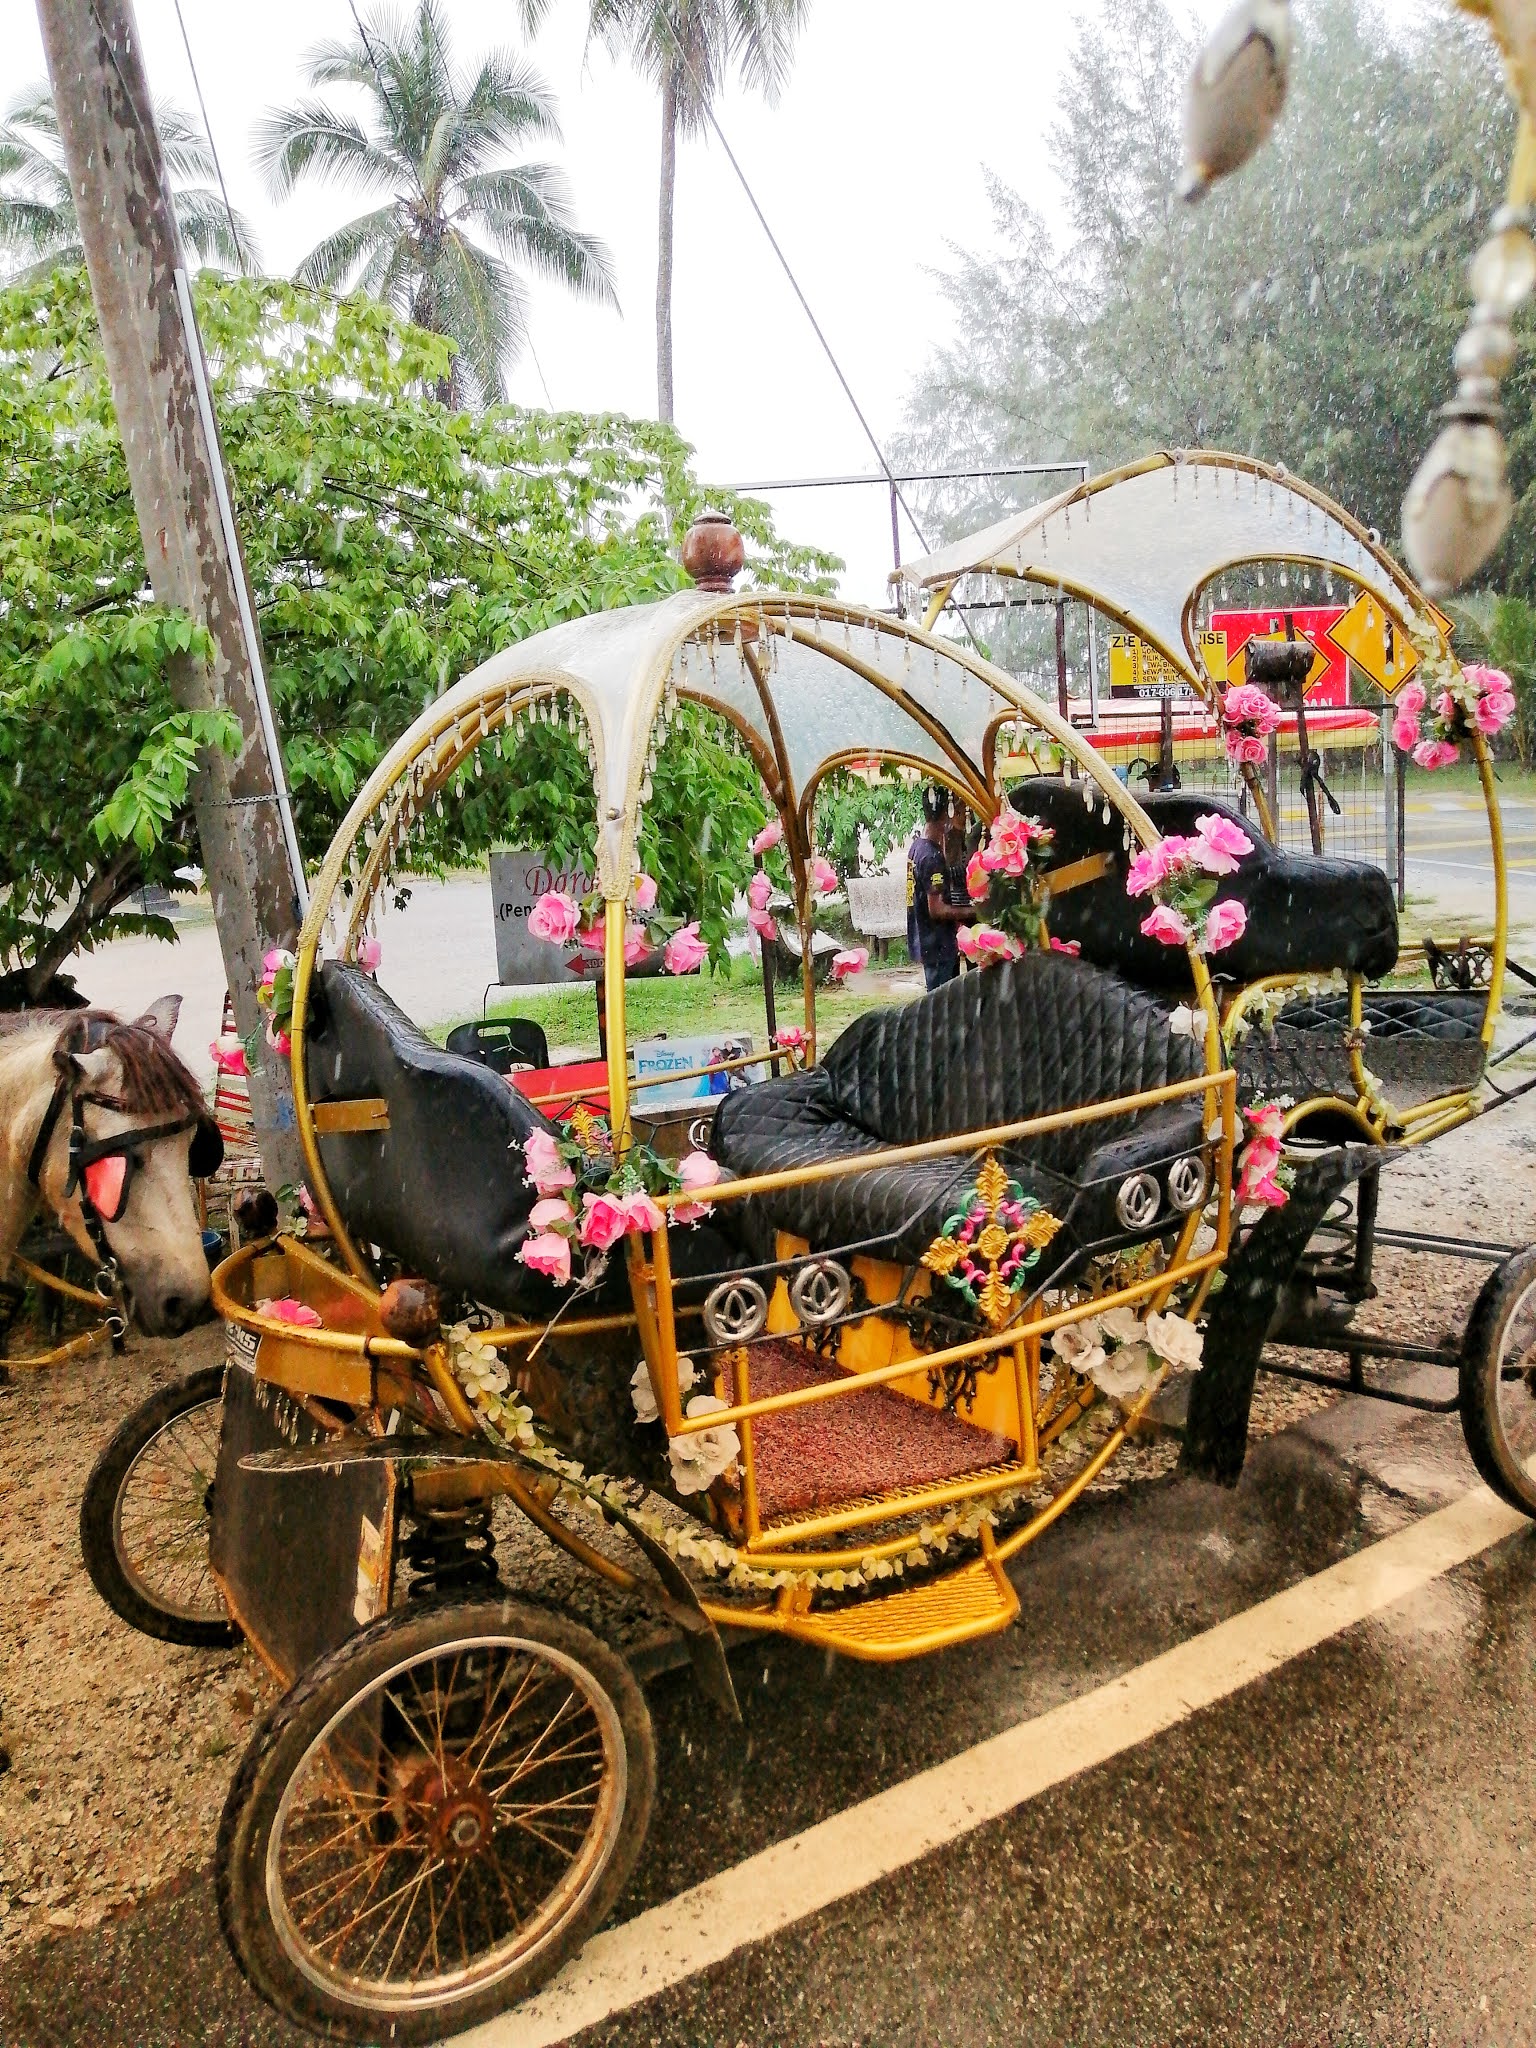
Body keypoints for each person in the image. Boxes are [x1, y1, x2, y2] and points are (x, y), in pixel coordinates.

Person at [909, 785, 970, 991]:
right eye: (958, 810)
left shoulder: (917, 848)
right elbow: (937, 909)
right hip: (938, 947)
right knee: (943, 1004)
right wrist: (975, 911)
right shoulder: (932, 857)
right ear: (947, 813)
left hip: (927, 942)